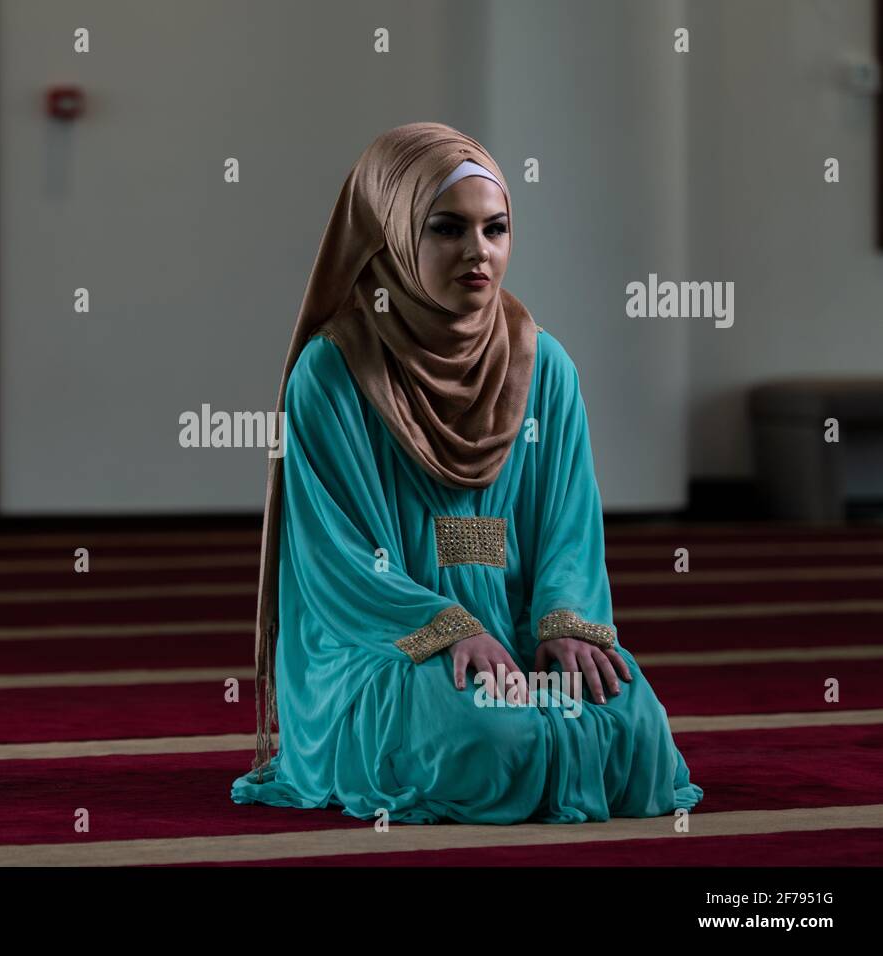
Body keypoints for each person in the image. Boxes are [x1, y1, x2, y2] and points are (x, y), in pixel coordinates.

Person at [230, 122, 703, 824]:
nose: (478, 254)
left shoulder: (546, 366)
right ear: (391, 234)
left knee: (632, 727)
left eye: (496, 228)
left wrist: (564, 622)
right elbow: (337, 562)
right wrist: (447, 627)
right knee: (488, 735)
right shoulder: (333, 373)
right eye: (447, 230)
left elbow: (569, 527)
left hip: (515, 628)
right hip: (385, 640)